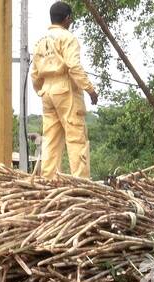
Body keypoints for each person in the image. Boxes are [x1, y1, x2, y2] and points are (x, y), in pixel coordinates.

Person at [31, 1, 98, 179]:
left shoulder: (40, 41)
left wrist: (42, 90)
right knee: (76, 138)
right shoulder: (68, 38)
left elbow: (35, 74)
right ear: (67, 18)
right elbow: (74, 66)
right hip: (65, 91)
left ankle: (48, 180)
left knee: (51, 140)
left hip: (46, 92)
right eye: (71, 19)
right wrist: (90, 89)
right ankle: (81, 182)